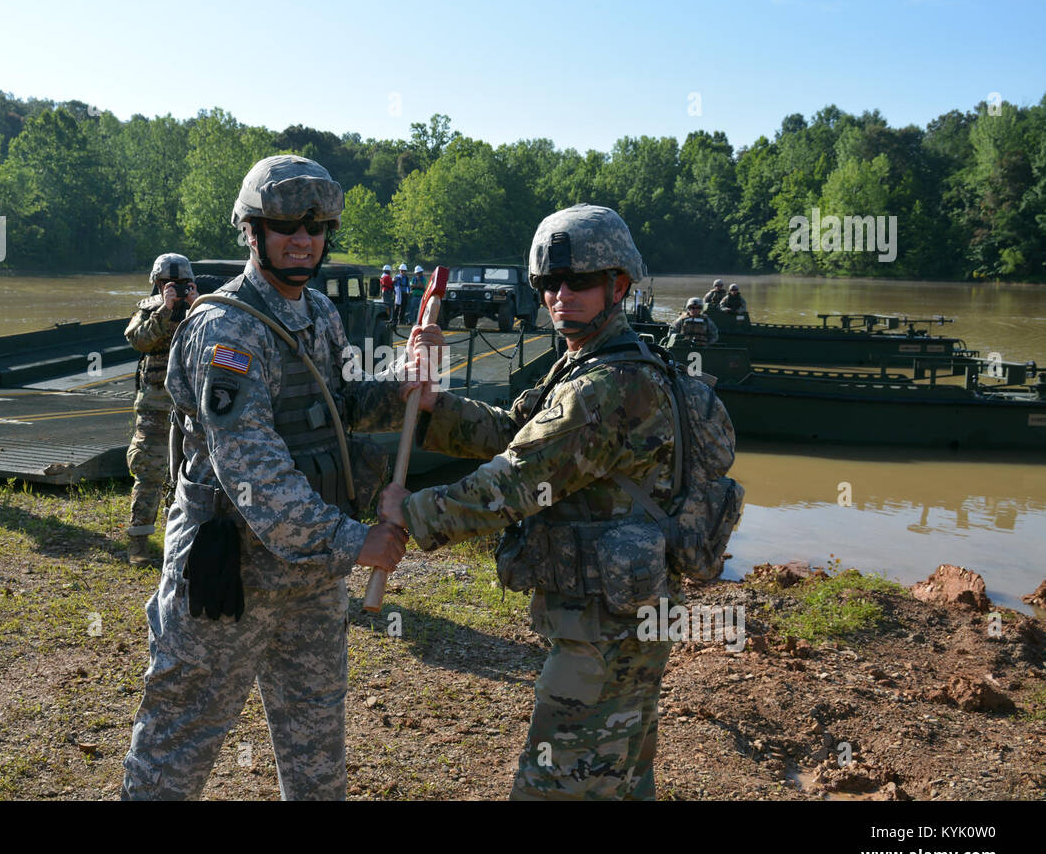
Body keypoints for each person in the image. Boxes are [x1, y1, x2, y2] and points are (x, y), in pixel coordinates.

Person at [121, 154, 409, 801]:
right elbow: (251, 469)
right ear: (252, 231)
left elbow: (342, 408)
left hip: (307, 584)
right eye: (285, 226)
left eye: (316, 226)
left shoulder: (322, 316)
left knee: (315, 753)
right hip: (229, 580)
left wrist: (405, 383)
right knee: (177, 746)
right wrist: (349, 539)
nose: (303, 239)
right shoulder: (226, 330)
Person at [379, 204, 680, 800]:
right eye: (548, 283)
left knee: (549, 788)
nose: (561, 295)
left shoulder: (609, 386)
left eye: (581, 281)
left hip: (604, 634)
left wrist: (408, 514)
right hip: (617, 620)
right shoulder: (586, 366)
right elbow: (510, 432)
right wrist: (437, 406)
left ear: (618, 285)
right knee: (619, 784)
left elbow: (515, 481)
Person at [123, 253, 199, 567]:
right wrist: (165, 311)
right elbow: (138, 341)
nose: (176, 289)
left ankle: (180, 541)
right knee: (149, 470)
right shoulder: (148, 310)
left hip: (191, 408)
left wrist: (198, 308)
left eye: (181, 284)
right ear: (157, 284)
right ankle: (138, 541)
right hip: (155, 406)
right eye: (169, 284)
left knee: (189, 474)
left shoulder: (203, 309)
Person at [379, 265, 395, 330]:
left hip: (383, 291)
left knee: (385, 304)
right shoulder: (387, 277)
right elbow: (390, 284)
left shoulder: (382, 277)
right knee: (390, 305)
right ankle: (389, 318)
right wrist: (394, 281)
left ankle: (385, 317)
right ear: (388, 271)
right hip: (387, 292)